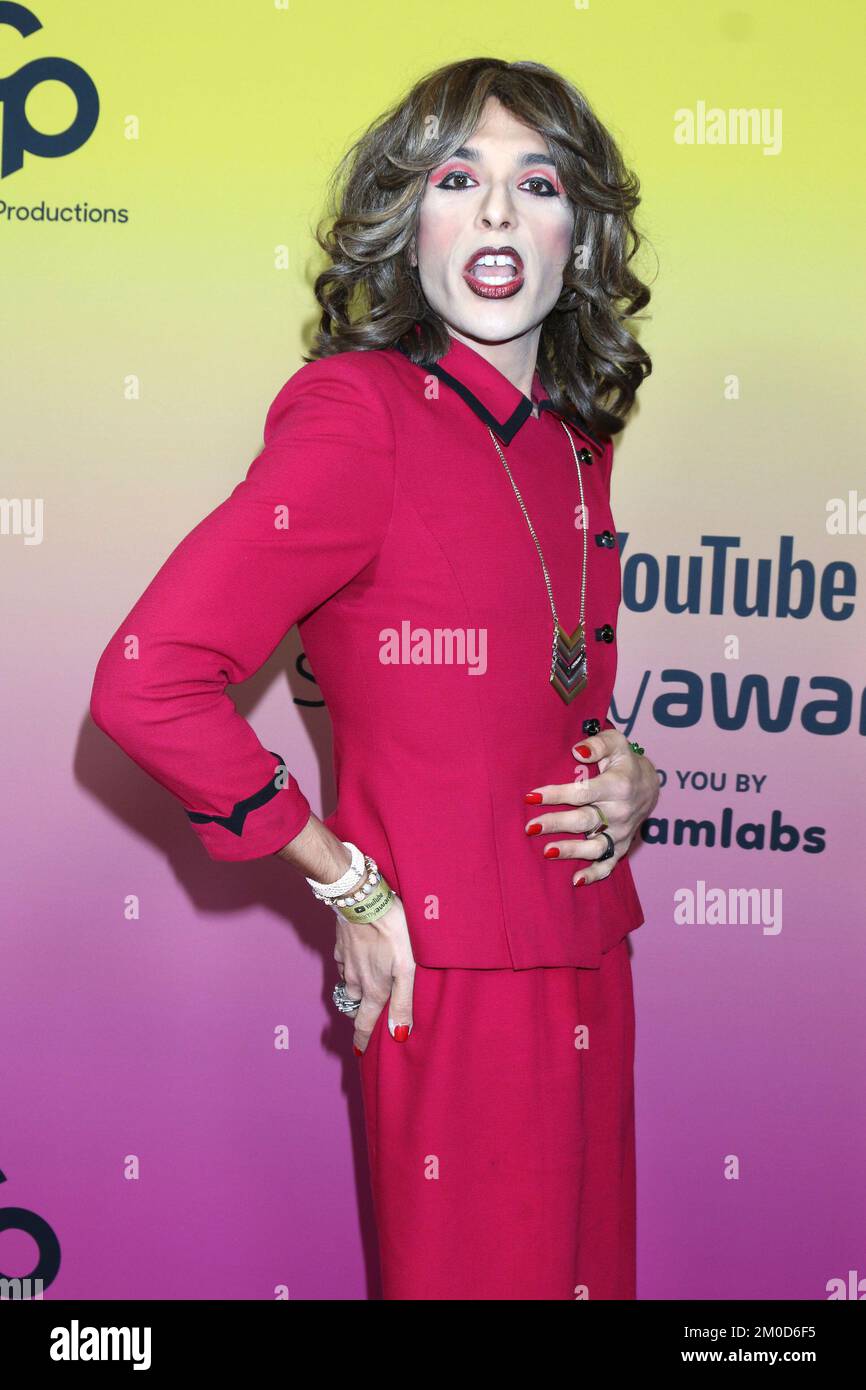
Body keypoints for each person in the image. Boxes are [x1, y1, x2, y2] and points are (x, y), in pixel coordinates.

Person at [89, 57, 660, 1301]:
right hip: (451, 983)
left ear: (582, 238)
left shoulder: (575, 443)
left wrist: (632, 777)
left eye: (537, 182)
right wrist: (348, 881)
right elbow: (148, 679)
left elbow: (535, 689)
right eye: (459, 179)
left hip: (587, 950)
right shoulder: (358, 414)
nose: (500, 212)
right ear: (409, 229)